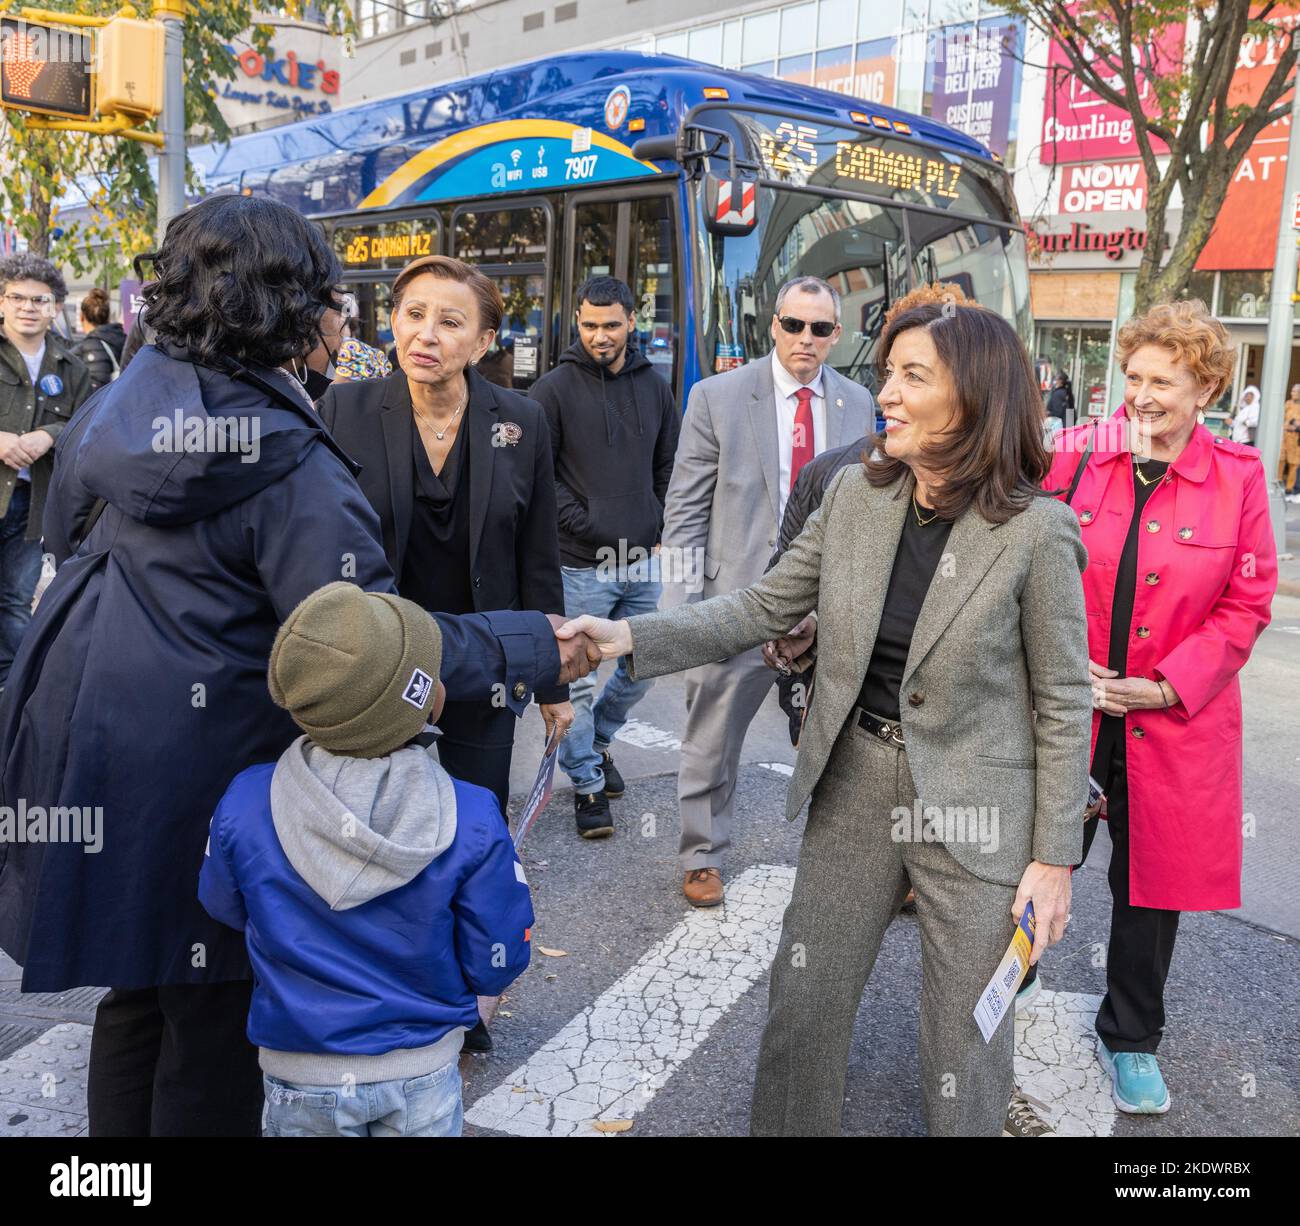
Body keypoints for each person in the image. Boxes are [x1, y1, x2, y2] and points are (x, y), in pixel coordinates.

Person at [0, 195, 599, 1138]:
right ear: (291, 307)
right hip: (218, 765)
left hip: (92, 738)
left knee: (139, 999)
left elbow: (62, 540)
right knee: (213, 1019)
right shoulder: (292, 464)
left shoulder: (122, 399)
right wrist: (532, 646)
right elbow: (359, 650)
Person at [562, 297, 1092, 1136]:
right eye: (887, 372)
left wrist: (1053, 860)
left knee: (967, 1041)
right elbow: (762, 606)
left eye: (912, 376)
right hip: (855, 783)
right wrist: (622, 634)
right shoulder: (855, 494)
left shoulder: (1039, 532)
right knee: (804, 1009)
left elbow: (1065, 701)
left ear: (978, 397)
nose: (885, 392)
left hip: (980, 808)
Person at [1042, 299, 1276, 1114]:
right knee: (1030, 860)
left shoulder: (1241, 480)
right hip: (1067, 711)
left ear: (1205, 387)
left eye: (1162, 382)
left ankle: (1132, 1037)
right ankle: (1000, 997)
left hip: (1170, 720)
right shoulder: (1074, 456)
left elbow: (1246, 603)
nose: (1140, 396)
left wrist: (1167, 685)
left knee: (1149, 892)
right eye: (1132, 376)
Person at [200, 583, 534, 1137]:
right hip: (422, 1067)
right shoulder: (470, 813)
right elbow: (495, 958)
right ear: (426, 700)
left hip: (298, 1066)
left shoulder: (245, 800)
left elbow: (223, 905)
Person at [318, 255, 571, 819]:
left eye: (451, 323)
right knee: (378, 814)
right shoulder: (344, 409)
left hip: (488, 656)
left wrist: (552, 676)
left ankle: (475, 906)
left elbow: (537, 556)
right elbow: (325, 544)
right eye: (413, 314)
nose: (425, 335)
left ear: (482, 344)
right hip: (383, 653)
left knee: (480, 811)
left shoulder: (522, 421)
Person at [660, 274, 873, 906]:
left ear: (835, 335)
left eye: (821, 328)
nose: (805, 338)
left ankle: (869, 865)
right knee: (713, 733)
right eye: (794, 325)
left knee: (849, 739)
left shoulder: (858, 403)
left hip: (830, 602)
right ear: (772, 325)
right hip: (739, 599)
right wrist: (681, 614)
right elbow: (685, 508)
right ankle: (701, 854)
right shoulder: (717, 396)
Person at [529, 275, 680, 838]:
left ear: (631, 322)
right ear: (577, 321)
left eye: (611, 324)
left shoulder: (655, 385)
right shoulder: (553, 389)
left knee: (647, 665)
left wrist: (657, 519)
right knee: (581, 681)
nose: (599, 335)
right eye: (589, 325)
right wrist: (587, 524)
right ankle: (587, 783)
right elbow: (541, 478)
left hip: (643, 560)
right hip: (579, 565)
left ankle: (597, 741)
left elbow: (669, 463)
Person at [0, 254, 92, 688]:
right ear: (2, 302)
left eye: (39, 299)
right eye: (16, 297)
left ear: (55, 307)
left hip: (33, 501)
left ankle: (11, 685)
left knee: (15, 599)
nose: (27, 307)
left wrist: (50, 435)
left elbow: (87, 423)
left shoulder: (72, 367)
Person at [71, 287, 127, 392]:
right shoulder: (120, 336)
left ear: (81, 317)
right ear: (108, 316)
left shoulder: (93, 344)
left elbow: (96, 387)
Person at [1280, 382, 1300, 495]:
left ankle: (1289, 487)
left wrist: (1296, 426)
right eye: (1292, 391)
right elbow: (1281, 418)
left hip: (1296, 438)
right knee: (1281, 459)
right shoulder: (1288, 404)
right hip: (1285, 436)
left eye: (1295, 392)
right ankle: (1278, 481)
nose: (1292, 393)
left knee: (1294, 463)